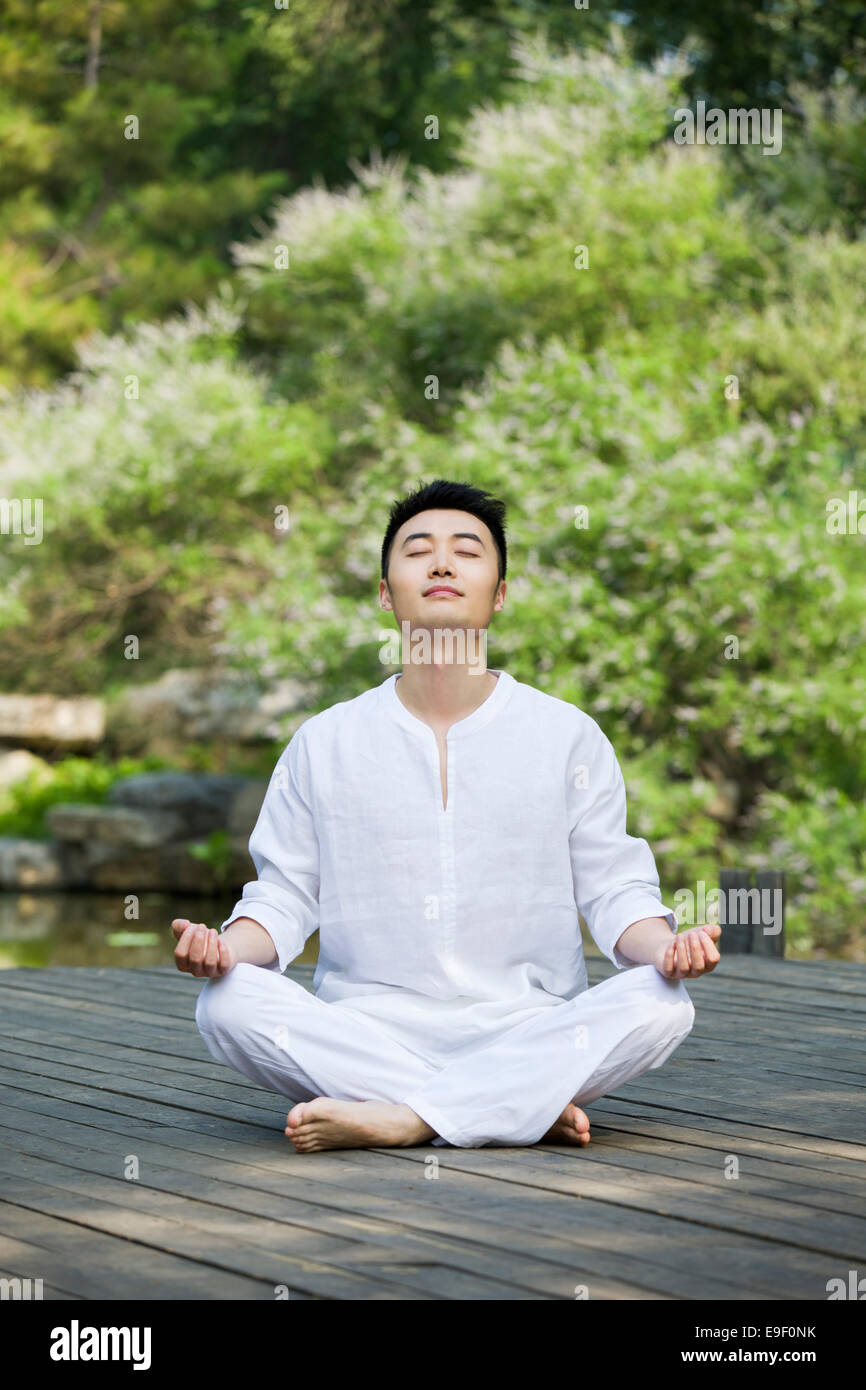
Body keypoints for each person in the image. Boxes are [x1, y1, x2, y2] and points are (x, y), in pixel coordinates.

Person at [174, 478, 721, 1152]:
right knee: (226, 1000)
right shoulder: (326, 741)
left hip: (530, 1027)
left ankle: (407, 1118)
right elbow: (283, 899)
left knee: (661, 1001)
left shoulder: (566, 736)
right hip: (367, 1035)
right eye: (417, 550)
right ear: (384, 593)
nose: (440, 564)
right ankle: (515, 1106)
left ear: (498, 594)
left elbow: (615, 892)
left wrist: (666, 950)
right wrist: (227, 950)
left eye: (466, 550)